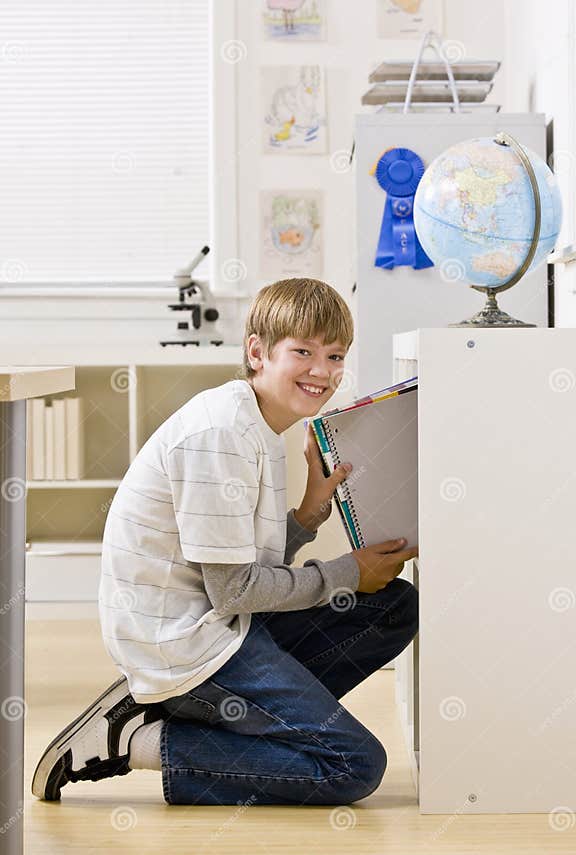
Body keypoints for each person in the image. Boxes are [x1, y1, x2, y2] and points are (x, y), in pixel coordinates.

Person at [32, 277, 418, 806]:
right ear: (258, 352)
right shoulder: (224, 437)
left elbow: (241, 564)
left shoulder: (257, 425)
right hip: (187, 643)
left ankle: (246, 721)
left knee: (394, 605)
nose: (323, 371)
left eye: (335, 355)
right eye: (302, 351)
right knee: (354, 766)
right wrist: (347, 572)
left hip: (221, 623)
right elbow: (235, 591)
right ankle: (136, 741)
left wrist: (308, 512)